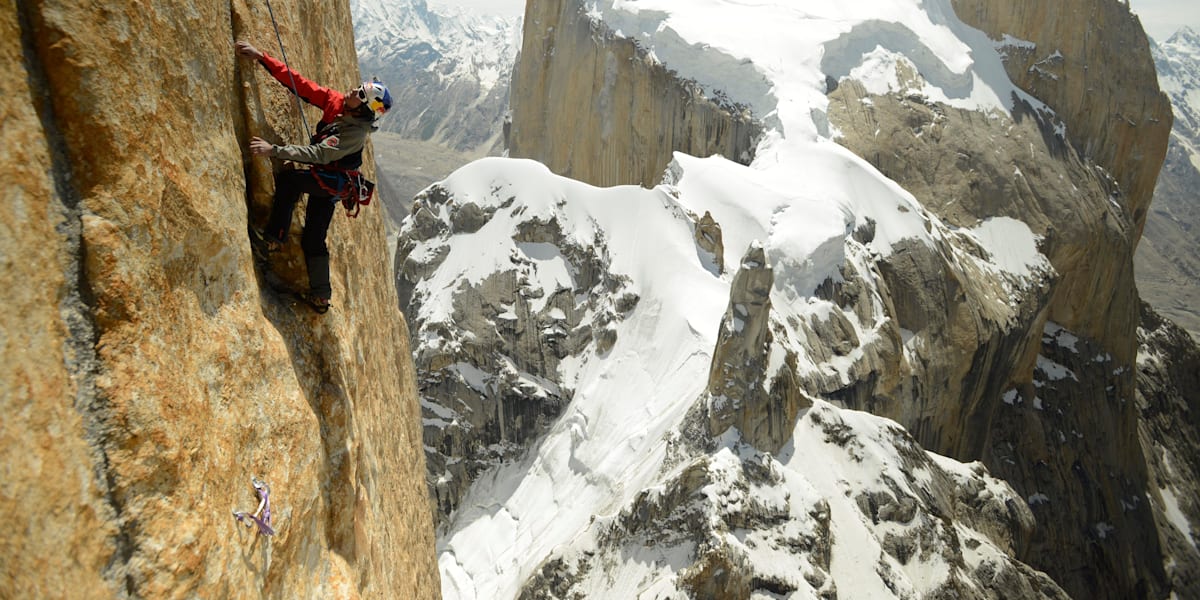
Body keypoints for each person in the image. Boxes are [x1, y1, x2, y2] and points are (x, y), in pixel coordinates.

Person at [236, 40, 391, 313]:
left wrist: (274, 150)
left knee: (291, 181)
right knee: (313, 237)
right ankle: (320, 295)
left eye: (359, 93)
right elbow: (300, 85)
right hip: (331, 179)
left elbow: (318, 154)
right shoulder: (336, 103)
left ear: (363, 108)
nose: (353, 89)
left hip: (332, 181)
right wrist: (262, 58)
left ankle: (273, 239)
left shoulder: (354, 134)